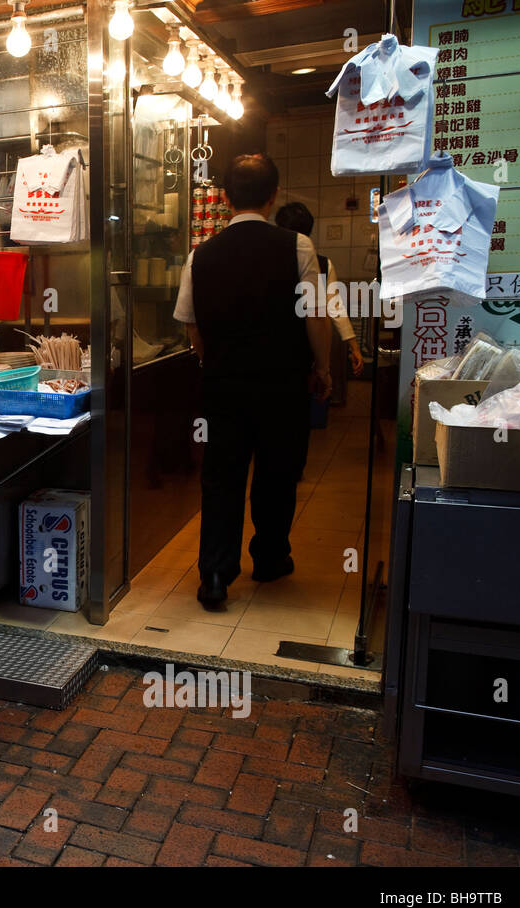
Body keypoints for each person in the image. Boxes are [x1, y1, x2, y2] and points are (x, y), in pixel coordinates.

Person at [173, 155, 332, 611]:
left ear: (225, 199)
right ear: (273, 196)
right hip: (282, 386)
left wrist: (215, 361)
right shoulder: (298, 247)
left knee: (221, 477)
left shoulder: (200, 255)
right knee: (278, 472)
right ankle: (269, 558)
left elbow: (191, 325)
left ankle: (216, 576)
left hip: (223, 387)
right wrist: (322, 371)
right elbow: (316, 317)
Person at [274, 201, 366, 406]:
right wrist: (353, 346)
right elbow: (334, 306)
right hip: (305, 350)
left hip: (271, 348)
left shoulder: (268, 259)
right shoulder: (322, 263)